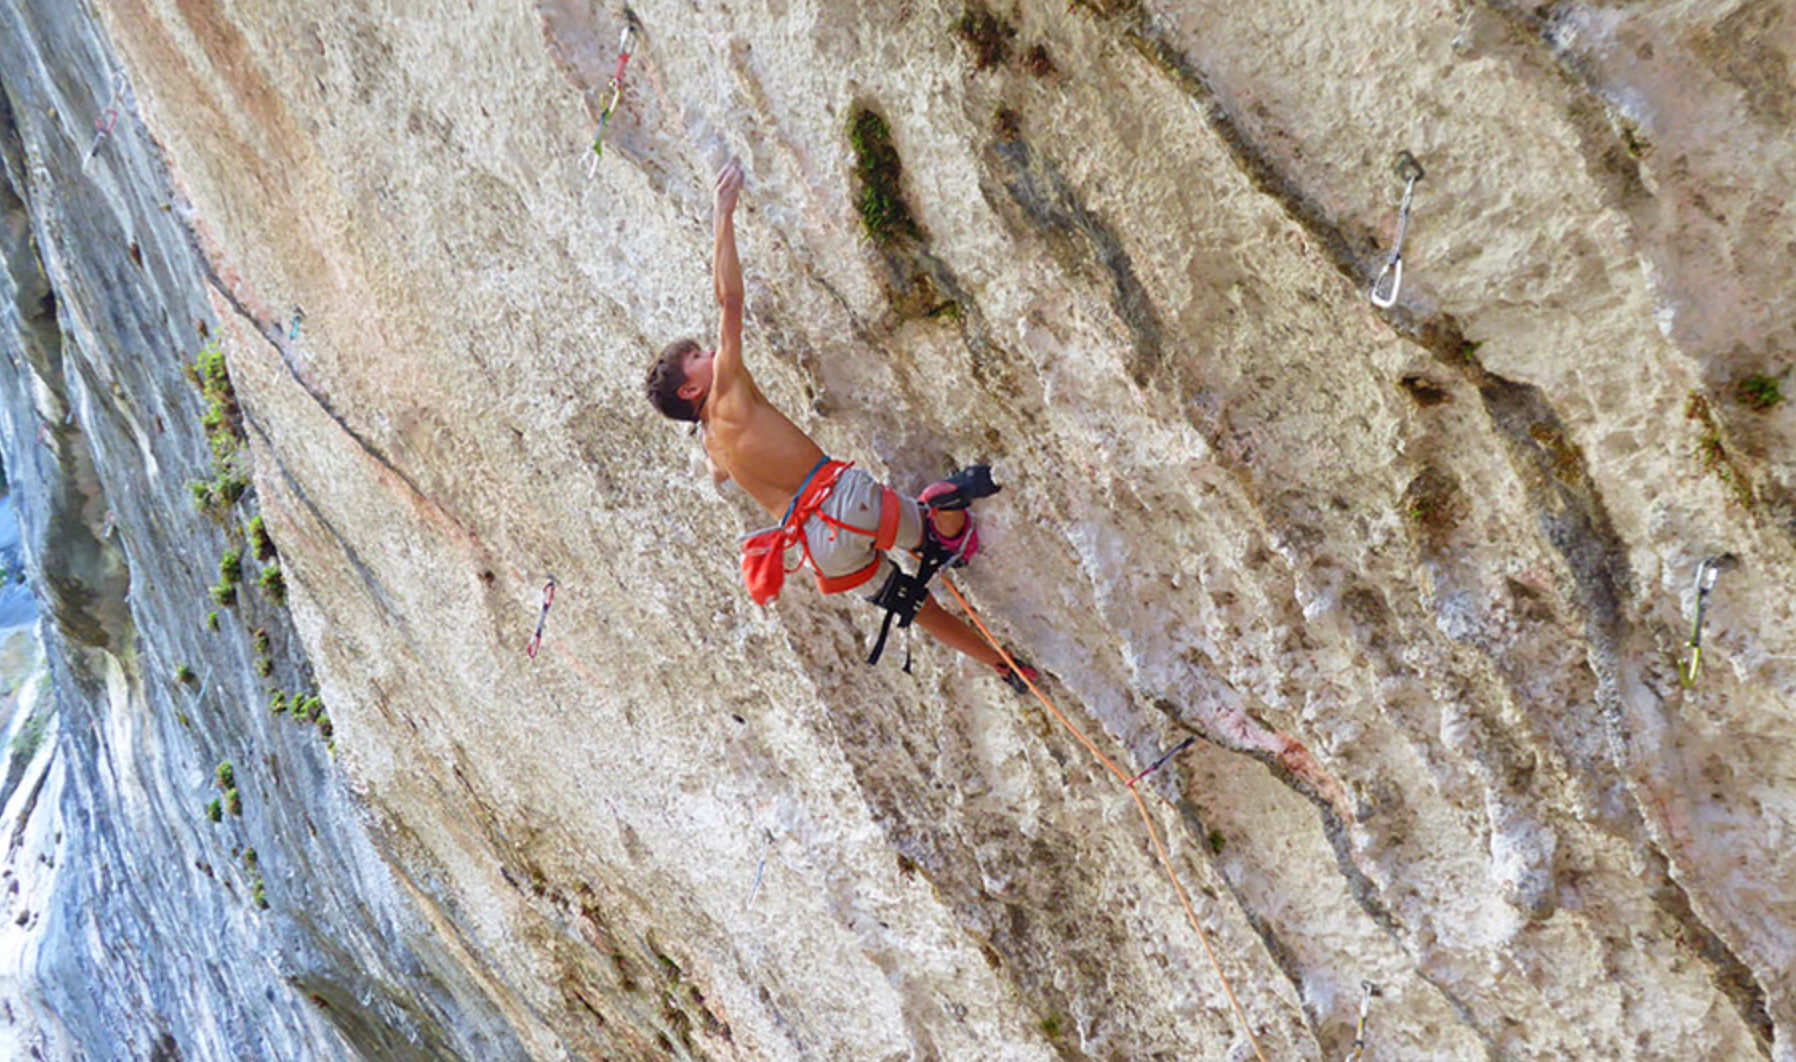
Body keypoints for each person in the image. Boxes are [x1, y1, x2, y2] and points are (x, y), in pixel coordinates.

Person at [644, 160, 1033, 689]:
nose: (710, 353)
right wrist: (723, 214)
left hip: (822, 548)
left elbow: (720, 476)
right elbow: (729, 299)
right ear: (691, 390)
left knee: (911, 605)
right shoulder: (728, 389)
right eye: (697, 357)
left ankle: (1003, 667)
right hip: (846, 498)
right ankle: (943, 505)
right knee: (939, 542)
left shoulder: (713, 445)